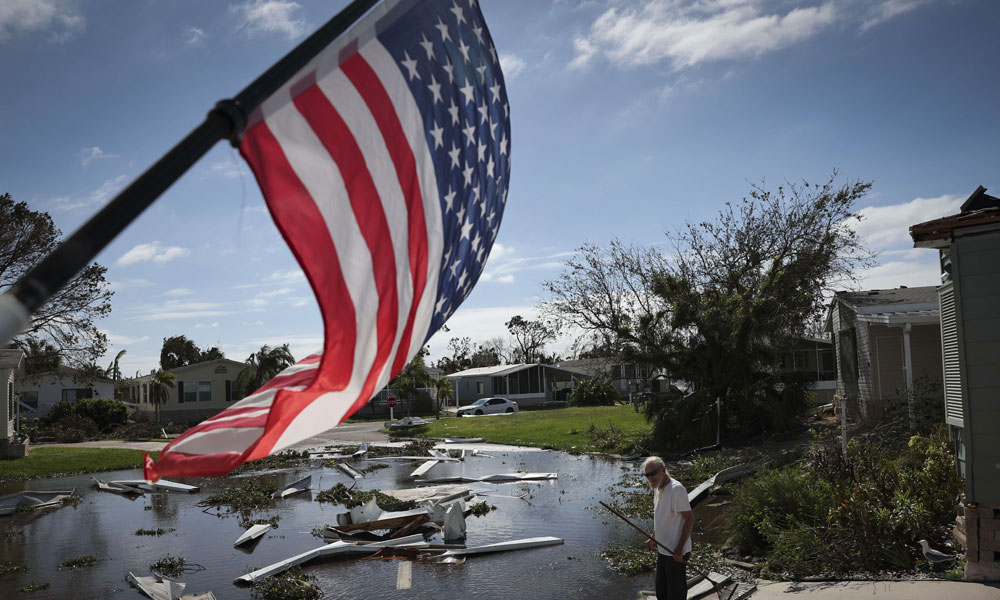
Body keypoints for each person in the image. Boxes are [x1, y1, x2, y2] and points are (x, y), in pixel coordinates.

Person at [643, 456, 694, 600]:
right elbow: (660, 520)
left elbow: (690, 519)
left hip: (676, 552)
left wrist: (679, 549)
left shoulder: (676, 489)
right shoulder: (657, 488)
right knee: (661, 591)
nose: (650, 478)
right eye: (647, 475)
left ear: (664, 470)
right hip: (663, 549)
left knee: (675, 594)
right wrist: (652, 538)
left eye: (653, 473)